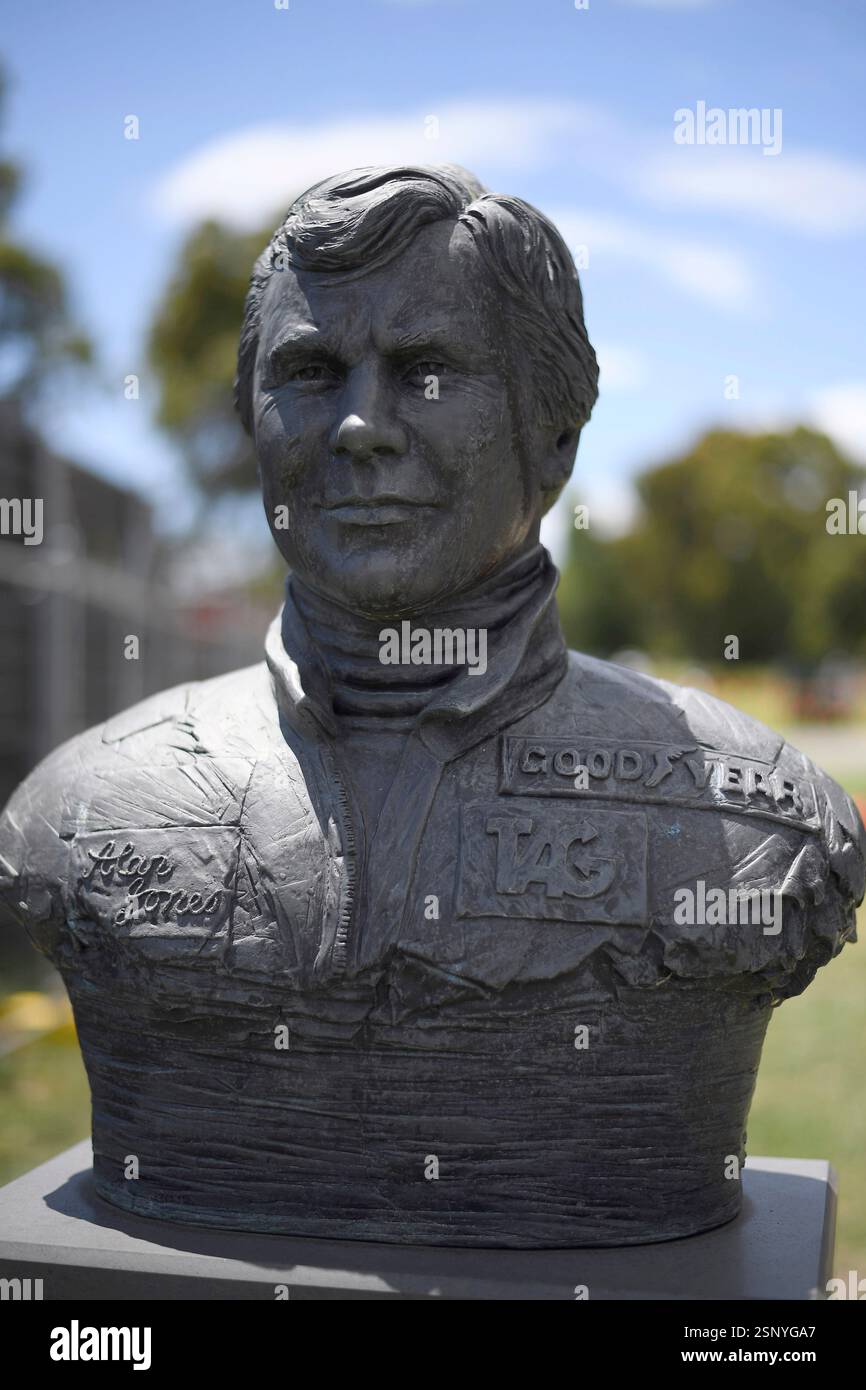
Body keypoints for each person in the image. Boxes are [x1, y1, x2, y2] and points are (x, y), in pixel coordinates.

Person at [1, 165, 862, 1247]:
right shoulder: (76, 808)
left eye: (427, 373)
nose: (361, 425)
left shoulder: (762, 822)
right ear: (249, 422)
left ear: (553, 436)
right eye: (309, 371)